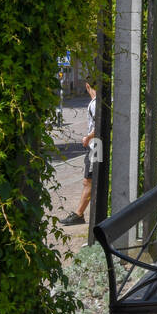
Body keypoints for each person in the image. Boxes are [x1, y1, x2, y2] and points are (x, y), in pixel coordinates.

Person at [60, 79, 98, 226]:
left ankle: (79, 214)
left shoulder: (94, 104)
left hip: (95, 146)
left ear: (88, 86)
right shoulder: (97, 102)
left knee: (89, 180)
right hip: (96, 145)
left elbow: (98, 125)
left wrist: (87, 137)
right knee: (90, 179)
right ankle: (79, 213)